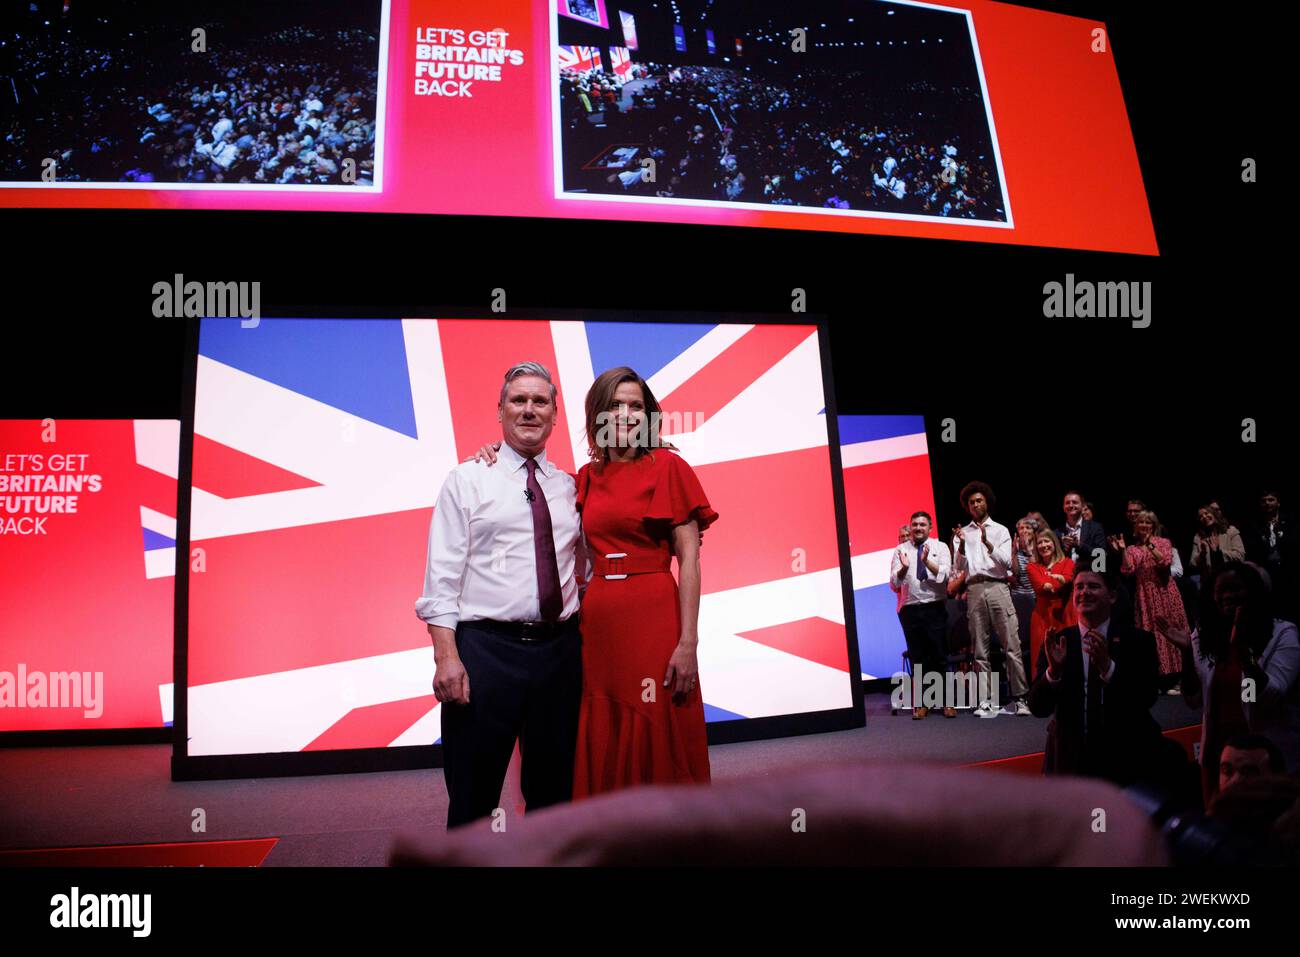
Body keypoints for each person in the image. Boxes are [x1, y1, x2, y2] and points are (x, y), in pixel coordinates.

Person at [473, 366, 716, 795]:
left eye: (636, 406)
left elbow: (690, 563)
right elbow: (536, 484)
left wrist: (688, 643)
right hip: (597, 625)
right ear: (597, 415)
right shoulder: (584, 478)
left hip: (653, 616)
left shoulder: (669, 468)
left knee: (655, 718)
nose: (626, 415)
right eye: (615, 405)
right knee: (601, 719)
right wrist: (496, 454)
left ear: (649, 415)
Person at [415, 362, 586, 828]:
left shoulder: (571, 488)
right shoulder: (467, 480)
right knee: (473, 795)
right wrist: (446, 658)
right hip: (486, 652)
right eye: (518, 400)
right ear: (500, 411)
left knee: (555, 793)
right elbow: (441, 580)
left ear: (554, 415)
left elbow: (581, 573)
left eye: (540, 402)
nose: (529, 410)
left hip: (560, 653)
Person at [1027, 569, 1184, 791]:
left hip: (1126, 761)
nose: (1084, 592)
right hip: (1071, 765)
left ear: (1111, 596)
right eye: (1079, 587)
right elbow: (1038, 707)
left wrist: (1108, 668)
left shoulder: (1137, 640)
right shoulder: (1058, 641)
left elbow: (1145, 698)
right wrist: (1053, 672)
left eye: (1093, 586)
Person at [1162, 562, 1300, 805]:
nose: (1228, 595)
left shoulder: (1282, 632)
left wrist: (1243, 655)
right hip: (1219, 755)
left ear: (1254, 591)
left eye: (1236, 588)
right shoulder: (1204, 635)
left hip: (1262, 757)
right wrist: (1185, 654)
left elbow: (1271, 696)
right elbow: (1194, 701)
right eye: (1221, 590)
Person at [950, 482, 1030, 716]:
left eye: (979, 500)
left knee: (1011, 645)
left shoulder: (1001, 530)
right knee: (979, 649)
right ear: (968, 507)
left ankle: (1021, 698)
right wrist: (963, 545)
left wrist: (987, 543)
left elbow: (1007, 563)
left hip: (997, 586)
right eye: (971, 502)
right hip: (974, 588)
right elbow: (959, 566)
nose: (975, 504)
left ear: (987, 502)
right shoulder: (961, 533)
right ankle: (985, 700)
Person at [1110, 510, 1187, 687]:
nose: (1144, 525)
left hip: (1164, 592)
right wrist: (1122, 551)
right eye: (1140, 522)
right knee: (1150, 634)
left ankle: (1176, 678)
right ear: (1135, 526)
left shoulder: (1163, 542)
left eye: (1148, 522)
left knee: (1170, 631)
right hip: (1145, 595)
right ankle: (1156, 677)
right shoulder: (1132, 548)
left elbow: (1165, 562)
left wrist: (1150, 545)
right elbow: (1127, 571)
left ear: (1153, 526)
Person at [891, 511, 954, 718]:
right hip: (910, 609)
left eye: (922, 524)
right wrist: (903, 569)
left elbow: (944, 576)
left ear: (930, 527)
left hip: (934, 607)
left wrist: (926, 562)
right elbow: (894, 583)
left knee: (939, 656)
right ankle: (923, 703)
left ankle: (947, 702)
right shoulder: (901, 549)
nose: (918, 528)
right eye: (915, 524)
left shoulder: (940, 546)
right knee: (918, 658)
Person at [1025, 529, 1077, 680]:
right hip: (1042, 617)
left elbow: (1067, 581)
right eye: (1039, 542)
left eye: (1047, 541)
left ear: (1054, 543)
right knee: (1041, 658)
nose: (1043, 545)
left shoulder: (1068, 562)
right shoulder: (1032, 567)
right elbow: (1040, 587)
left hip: (1064, 614)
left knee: (1067, 654)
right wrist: (1057, 582)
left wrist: (1056, 582)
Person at [1189, 503, 1246, 579]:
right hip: (1210, 580)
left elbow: (1240, 556)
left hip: (1232, 578)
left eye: (1206, 513)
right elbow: (1192, 563)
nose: (1204, 517)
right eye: (1200, 517)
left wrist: (1219, 553)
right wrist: (1201, 555)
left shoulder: (1231, 531)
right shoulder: (1198, 537)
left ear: (1214, 514)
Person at [1056, 490, 1106, 567]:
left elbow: (1101, 557)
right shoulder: (1056, 532)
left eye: (1074, 502)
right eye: (1067, 503)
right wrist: (1063, 549)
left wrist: (1079, 545)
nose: (1071, 505)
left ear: (1082, 506)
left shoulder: (1095, 528)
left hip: (1089, 574)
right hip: (1063, 576)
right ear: (1063, 507)